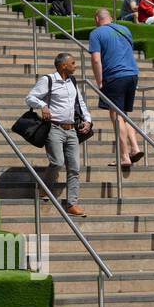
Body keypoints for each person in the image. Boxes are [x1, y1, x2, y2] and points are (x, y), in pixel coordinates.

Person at [25, 52, 93, 216]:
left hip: (72, 130)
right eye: (73, 63)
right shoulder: (48, 80)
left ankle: (72, 204)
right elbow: (30, 98)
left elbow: (80, 103)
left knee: (74, 168)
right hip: (54, 128)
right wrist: (43, 105)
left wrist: (88, 120)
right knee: (57, 162)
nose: (75, 66)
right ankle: (45, 188)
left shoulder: (73, 81)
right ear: (64, 65)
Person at [89, 9, 142, 171]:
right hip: (132, 74)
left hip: (114, 76)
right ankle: (135, 148)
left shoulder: (96, 33)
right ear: (110, 18)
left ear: (97, 19)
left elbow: (96, 60)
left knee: (115, 115)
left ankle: (125, 157)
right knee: (123, 114)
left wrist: (99, 82)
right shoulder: (125, 29)